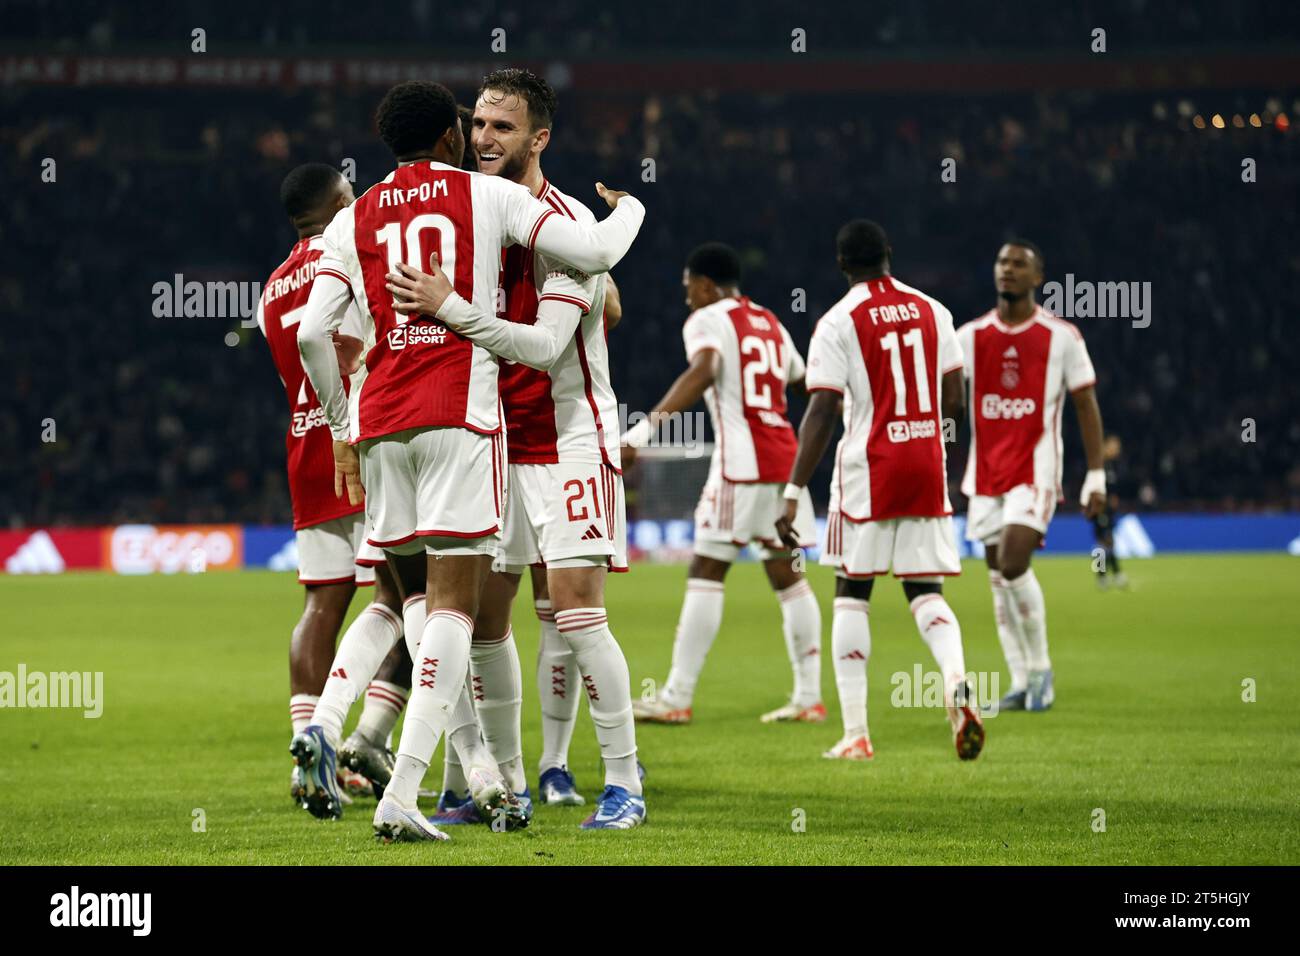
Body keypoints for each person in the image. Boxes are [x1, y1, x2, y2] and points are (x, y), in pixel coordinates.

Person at [295, 80, 645, 842]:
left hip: (568, 435)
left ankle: (624, 781)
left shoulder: (559, 219)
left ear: (538, 138)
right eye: (477, 124)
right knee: (484, 628)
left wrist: (447, 309)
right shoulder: (470, 212)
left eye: (503, 127)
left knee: (578, 612)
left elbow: (550, 346)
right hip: (493, 438)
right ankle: (505, 783)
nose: (487, 137)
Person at [776, 219, 984, 762]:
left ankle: (857, 733)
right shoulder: (935, 311)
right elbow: (956, 403)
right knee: (926, 590)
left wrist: (795, 488)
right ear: (889, 254)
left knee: (853, 590)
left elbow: (821, 409)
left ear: (841, 264)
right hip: (925, 463)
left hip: (869, 469)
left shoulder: (838, 321)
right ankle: (957, 680)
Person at [255, 162, 411, 812]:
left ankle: (306, 751)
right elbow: (364, 341)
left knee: (322, 605)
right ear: (343, 200)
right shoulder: (352, 246)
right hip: (365, 435)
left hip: (304, 443)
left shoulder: (270, 289)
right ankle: (368, 737)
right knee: (408, 593)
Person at [623, 242, 823, 725]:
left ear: (707, 285)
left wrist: (643, 431)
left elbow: (706, 368)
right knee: (788, 576)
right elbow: (805, 382)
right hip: (787, 466)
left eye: (689, 287)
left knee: (706, 571)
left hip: (742, 466)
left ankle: (676, 695)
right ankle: (809, 698)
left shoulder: (707, 321)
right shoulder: (770, 323)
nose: (686, 298)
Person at [957, 240, 1106, 712]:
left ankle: (1041, 671)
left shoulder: (1062, 337)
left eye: (1019, 264)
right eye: (1002, 262)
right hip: (984, 476)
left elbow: (1085, 403)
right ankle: (1020, 679)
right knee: (998, 579)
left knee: (1014, 563)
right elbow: (946, 397)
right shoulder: (969, 336)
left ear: (1037, 276)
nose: (1008, 270)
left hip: (1035, 471)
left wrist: (1096, 474)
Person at [1091, 434, 1129, 590]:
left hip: (1109, 510)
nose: (1117, 450)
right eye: (1114, 446)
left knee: (1108, 542)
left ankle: (1111, 575)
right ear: (1106, 446)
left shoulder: (1111, 465)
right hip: (1100, 509)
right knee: (1103, 543)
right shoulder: (1099, 465)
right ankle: (1104, 576)